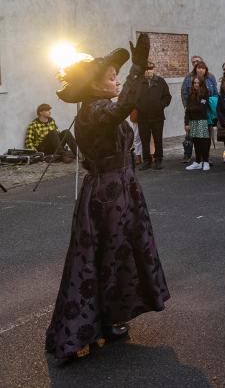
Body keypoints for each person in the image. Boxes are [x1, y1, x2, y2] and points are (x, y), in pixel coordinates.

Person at [46, 34, 169, 363]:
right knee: (107, 255)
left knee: (120, 254)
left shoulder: (100, 107)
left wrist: (138, 75)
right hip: (107, 195)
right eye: (111, 77)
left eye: (117, 76)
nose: (116, 80)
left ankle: (110, 317)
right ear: (95, 86)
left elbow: (130, 105)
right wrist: (137, 68)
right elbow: (121, 109)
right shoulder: (93, 111)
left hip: (122, 189)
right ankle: (94, 324)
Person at [136, 62, 171, 170]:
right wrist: (139, 106)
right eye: (146, 69)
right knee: (144, 140)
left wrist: (161, 105)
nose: (148, 71)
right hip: (143, 117)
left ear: (153, 69)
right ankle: (147, 161)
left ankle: (158, 160)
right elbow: (133, 97)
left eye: (150, 69)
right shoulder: (139, 82)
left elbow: (167, 96)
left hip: (157, 116)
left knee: (158, 139)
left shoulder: (160, 81)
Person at [184, 75, 211, 171]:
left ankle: (206, 161)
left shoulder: (205, 93)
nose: (196, 85)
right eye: (194, 83)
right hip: (192, 121)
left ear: (201, 84)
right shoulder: (191, 94)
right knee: (196, 142)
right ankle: (198, 161)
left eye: (198, 83)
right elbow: (187, 110)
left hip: (201, 121)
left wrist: (192, 108)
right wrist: (186, 123)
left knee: (203, 142)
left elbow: (202, 108)